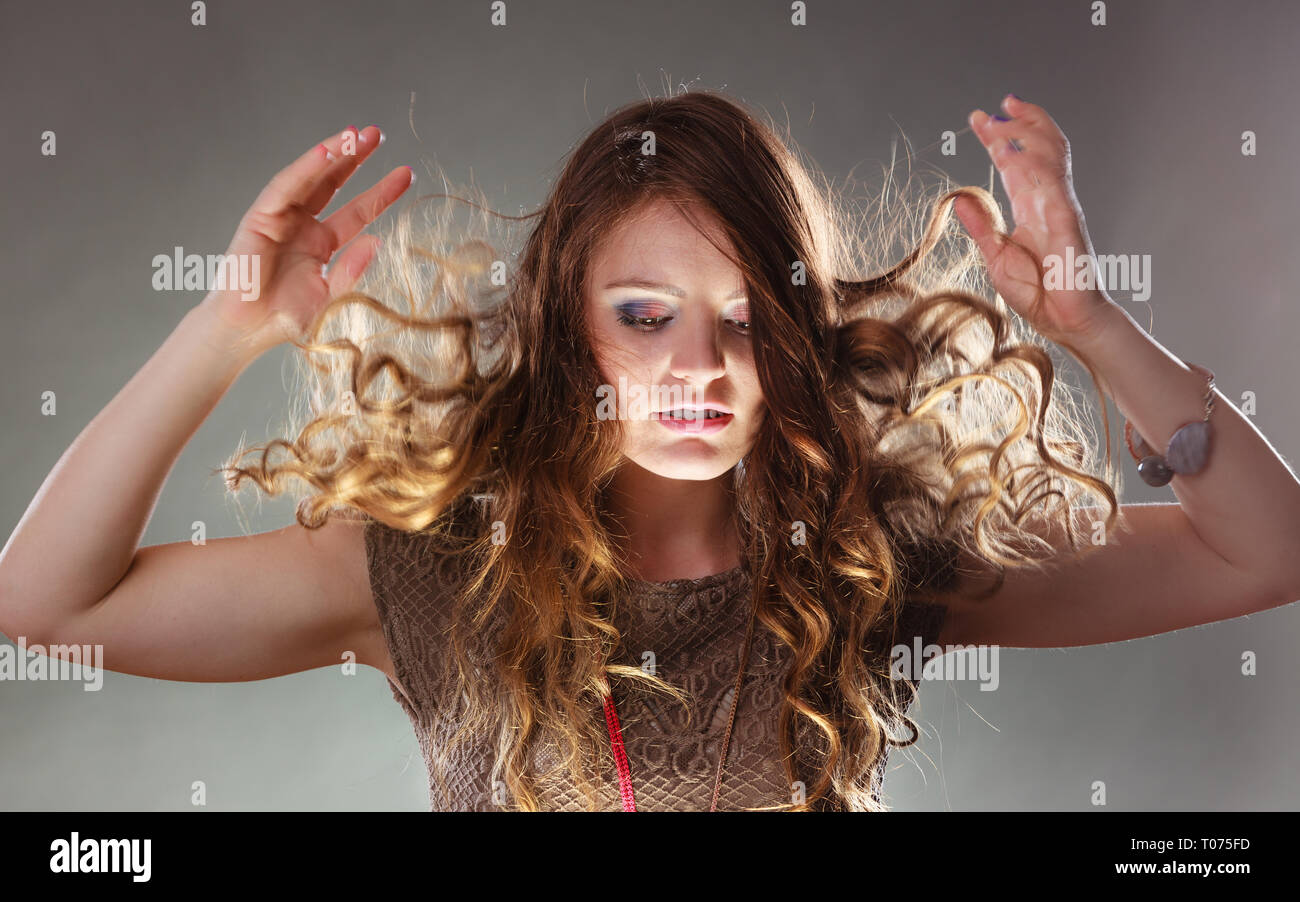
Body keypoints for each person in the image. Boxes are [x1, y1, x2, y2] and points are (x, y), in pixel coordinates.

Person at [3, 91, 1297, 811]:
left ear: (796, 340)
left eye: (744, 317)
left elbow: (1265, 553)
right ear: (567, 331)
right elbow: (44, 607)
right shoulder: (431, 572)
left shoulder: (864, 561)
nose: (698, 365)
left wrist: (1092, 324)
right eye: (643, 315)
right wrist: (227, 327)